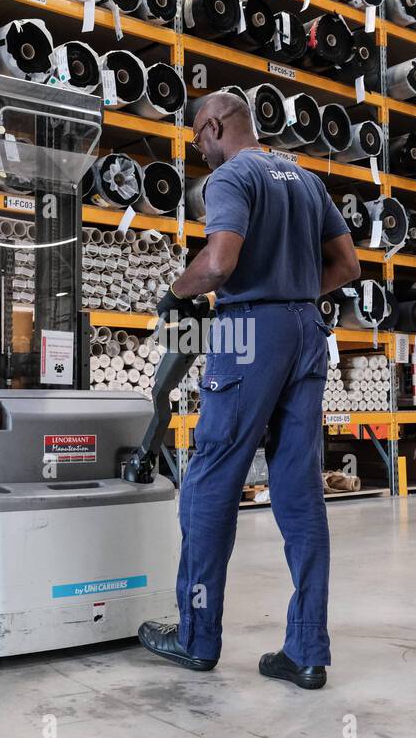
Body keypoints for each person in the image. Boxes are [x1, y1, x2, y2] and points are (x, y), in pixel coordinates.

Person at [137, 90, 361, 690]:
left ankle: (196, 636)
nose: (198, 151)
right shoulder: (306, 180)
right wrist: (296, 295)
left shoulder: (232, 178)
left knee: (212, 475)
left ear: (212, 127)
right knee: (299, 490)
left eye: (195, 138)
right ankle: (307, 651)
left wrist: (179, 292)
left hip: (247, 332)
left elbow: (218, 263)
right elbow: (348, 267)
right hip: (307, 331)